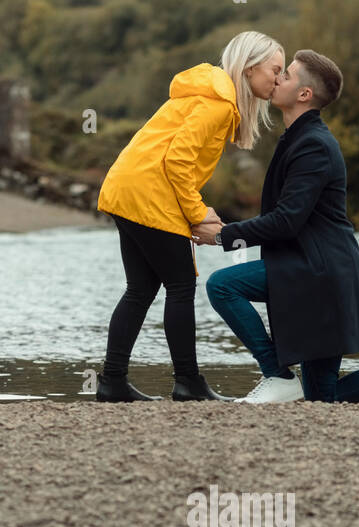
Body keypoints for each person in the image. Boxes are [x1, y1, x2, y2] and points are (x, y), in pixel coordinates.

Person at [198, 50, 359, 406]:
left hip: (320, 274)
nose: (277, 80)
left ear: (304, 94)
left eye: (286, 75)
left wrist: (225, 235)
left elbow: (287, 221)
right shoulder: (298, 138)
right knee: (323, 396)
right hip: (311, 270)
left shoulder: (313, 145)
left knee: (224, 286)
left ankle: (277, 375)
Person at [96, 31, 284, 403]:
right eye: (275, 69)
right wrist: (198, 213)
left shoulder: (211, 95)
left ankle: (112, 381)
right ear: (249, 67)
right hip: (149, 195)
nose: (278, 79)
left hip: (127, 189)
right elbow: (177, 162)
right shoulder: (216, 104)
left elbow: (175, 159)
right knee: (180, 286)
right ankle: (188, 383)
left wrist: (194, 211)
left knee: (140, 289)